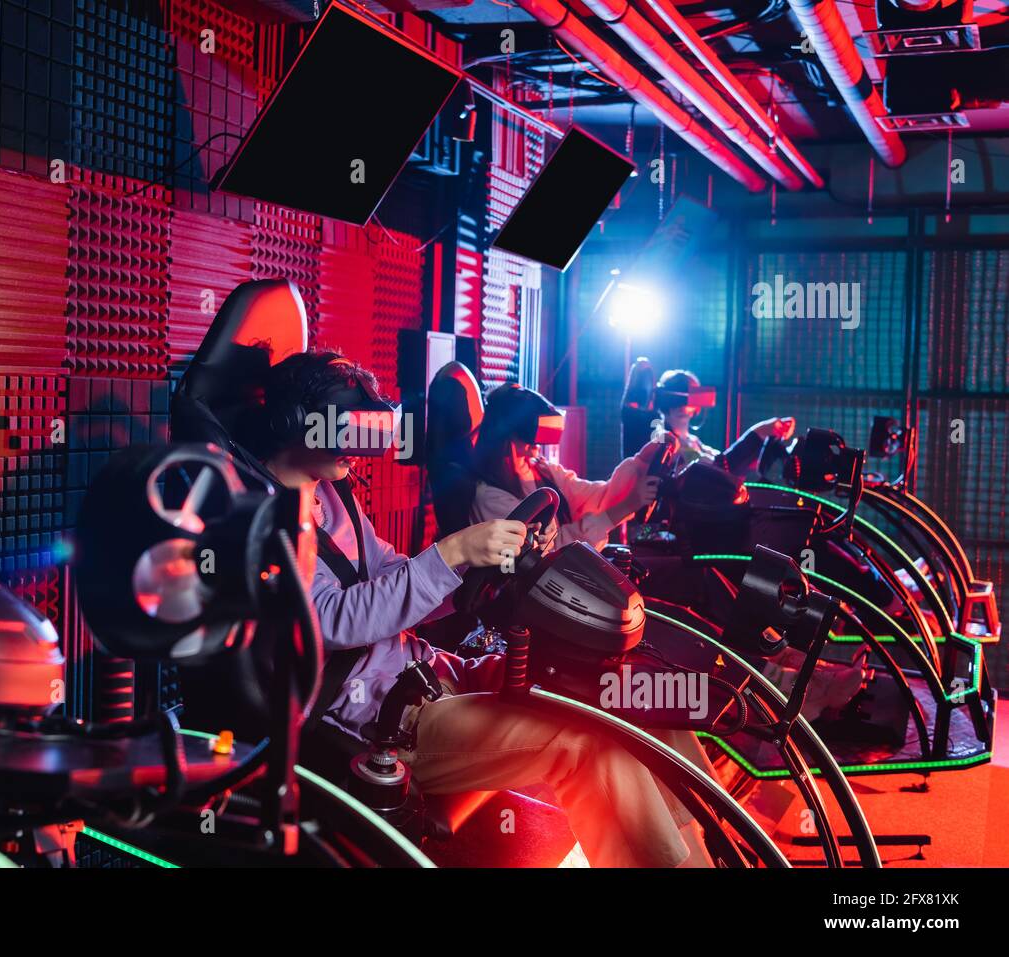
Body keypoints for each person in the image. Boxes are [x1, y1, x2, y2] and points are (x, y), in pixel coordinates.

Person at [250, 349, 712, 867]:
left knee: (630, 692)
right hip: (389, 723)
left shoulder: (331, 495)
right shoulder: (262, 524)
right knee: (586, 740)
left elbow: (390, 577)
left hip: (436, 673)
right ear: (300, 424)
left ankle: (708, 852)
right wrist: (454, 552)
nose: (359, 447)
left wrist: (477, 567)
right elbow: (331, 621)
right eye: (349, 428)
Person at [470, 383, 674, 552]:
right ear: (508, 434)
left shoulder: (542, 469)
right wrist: (623, 508)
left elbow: (595, 498)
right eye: (535, 437)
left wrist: (639, 466)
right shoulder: (491, 497)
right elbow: (546, 554)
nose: (539, 445)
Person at [622, 359, 795, 475]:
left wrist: (765, 442)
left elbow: (724, 464)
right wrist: (759, 432)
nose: (683, 400)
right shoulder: (663, 442)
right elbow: (719, 469)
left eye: (689, 394)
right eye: (678, 392)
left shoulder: (694, 443)